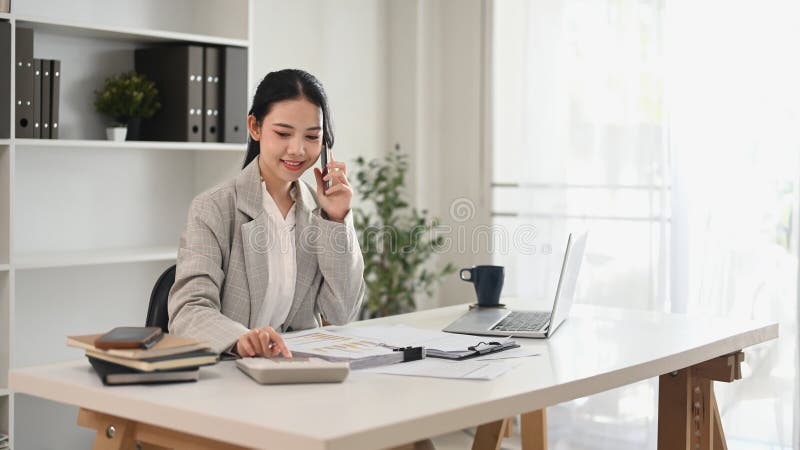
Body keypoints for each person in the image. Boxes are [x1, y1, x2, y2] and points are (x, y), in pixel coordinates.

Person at [168, 69, 365, 358]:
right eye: (283, 133)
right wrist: (241, 339)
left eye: (312, 136)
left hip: (296, 371)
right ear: (255, 127)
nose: (297, 149)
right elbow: (189, 310)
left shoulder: (318, 210)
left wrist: (337, 219)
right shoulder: (214, 208)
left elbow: (342, 311)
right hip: (230, 371)